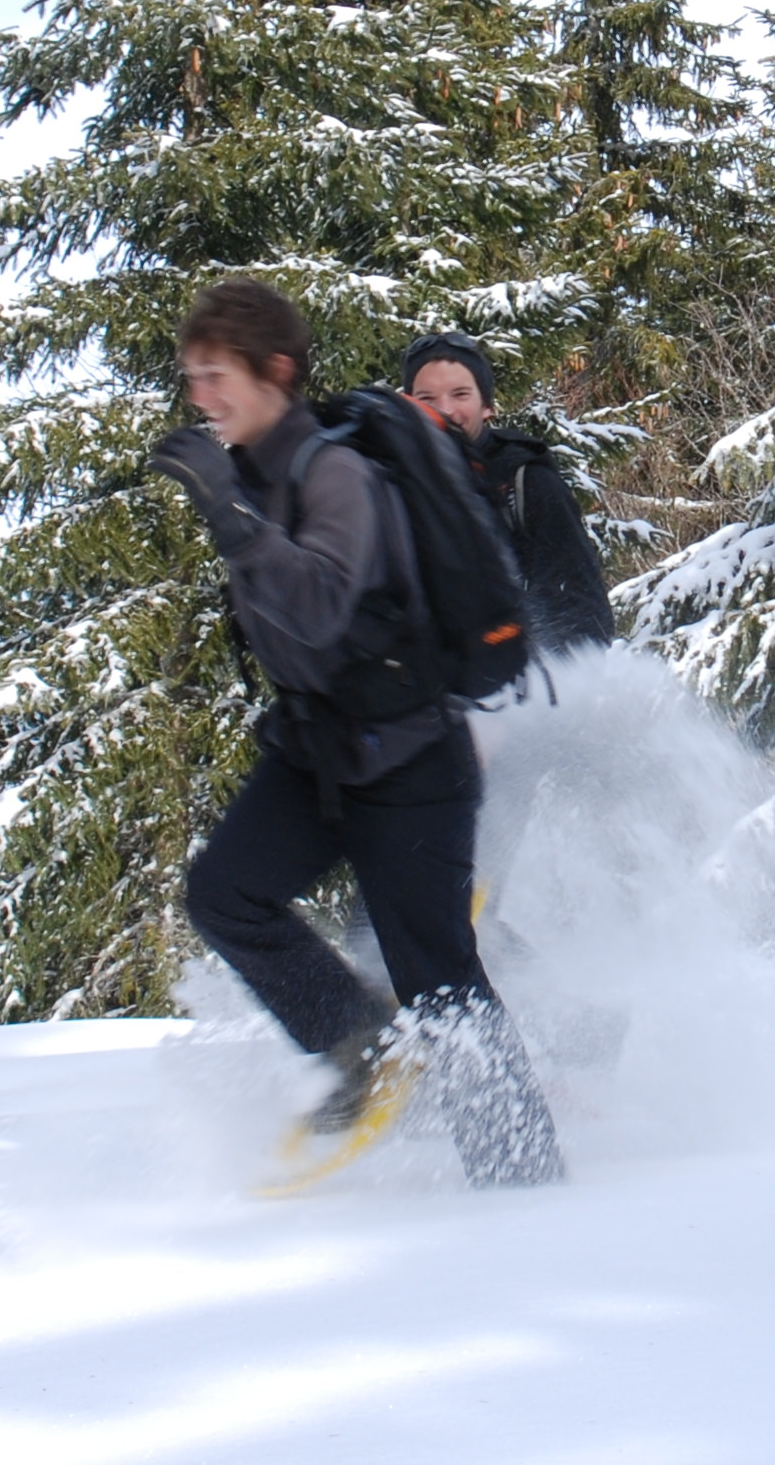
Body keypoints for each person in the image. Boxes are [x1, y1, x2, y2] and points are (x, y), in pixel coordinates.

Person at [144, 280, 562, 1185]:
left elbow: (322, 606)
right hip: (319, 750)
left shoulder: (336, 473)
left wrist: (231, 517)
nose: (200, 395)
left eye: (216, 375)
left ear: (275, 370)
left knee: (438, 977)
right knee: (225, 895)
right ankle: (356, 1043)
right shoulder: (257, 470)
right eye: (192, 377)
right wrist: (236, 504)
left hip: (414, 763)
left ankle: (523, 1173)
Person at [397, 329, 617, 650]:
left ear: (487, 405)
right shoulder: (390, 481)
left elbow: (581, 609)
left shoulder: (524, 481)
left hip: (519, 672)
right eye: (426, 399)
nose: (445, 409)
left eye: (460, 394)